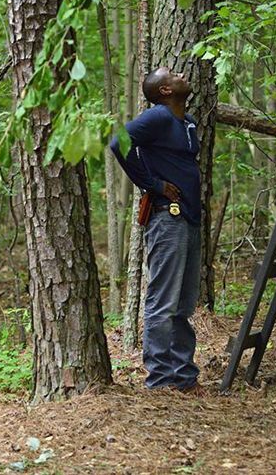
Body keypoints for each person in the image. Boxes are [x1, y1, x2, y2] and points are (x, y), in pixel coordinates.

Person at [110, 67, 203, 393]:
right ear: (165, 90)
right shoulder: (158, 117)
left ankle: (184, 377)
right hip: (167, 219)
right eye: (173, 74)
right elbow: (119, 142)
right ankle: (160, 380)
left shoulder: (187, 122)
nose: (182, 74)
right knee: (163, 302)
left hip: (189, 219)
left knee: (184, 305)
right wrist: (153, 184)